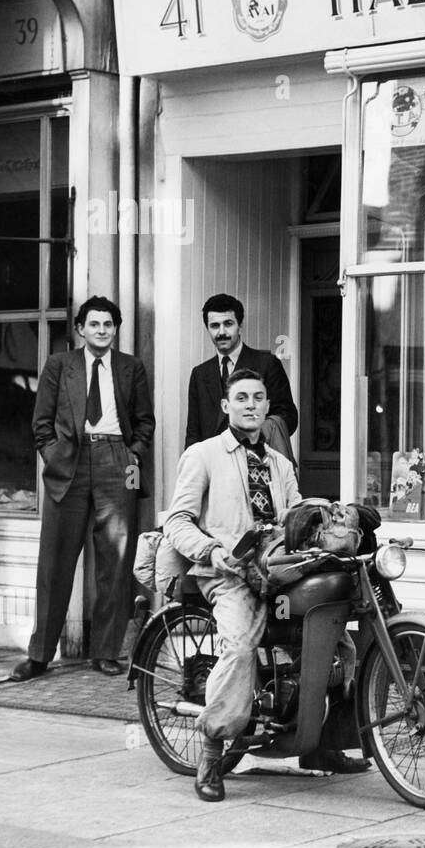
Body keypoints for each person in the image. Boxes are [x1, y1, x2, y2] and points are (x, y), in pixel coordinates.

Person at [163, 368, 367, 802]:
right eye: (241, 398)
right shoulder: (203, 454)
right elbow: (176, 521)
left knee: (336, 639)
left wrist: (327, 523)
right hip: (228, 574)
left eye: (258, 397)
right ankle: (213, 753)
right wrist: (212, 551)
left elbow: (297, 517)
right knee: (239, 646)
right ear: (226, 406)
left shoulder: (279, 463)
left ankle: (322, 746)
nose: (251, 404)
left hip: (278, 568)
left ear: (268, 406)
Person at [11, 297, 155, 682]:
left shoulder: (130, 368)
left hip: (117, 462)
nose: (102, 330)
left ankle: (106, 651)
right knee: (55, 562)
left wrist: (132, 456)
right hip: (69, 463)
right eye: (94, 324)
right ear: (81, 328)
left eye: (109, 324)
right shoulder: (60, 366)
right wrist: (53, 455)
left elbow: (145, 422)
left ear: (115, 329)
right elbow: (41, 422)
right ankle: (40, 655)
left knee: (116, 560)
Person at [184, 293, 298, 461]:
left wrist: (252, 434)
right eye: (215, 326)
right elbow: (193, 433)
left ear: (240, 326)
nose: (222, 332)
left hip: (257, 463)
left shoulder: (267, 364)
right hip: (215, 468)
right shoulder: (200, 374)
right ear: (207, 328)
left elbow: (288, 417)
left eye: (228, 324)